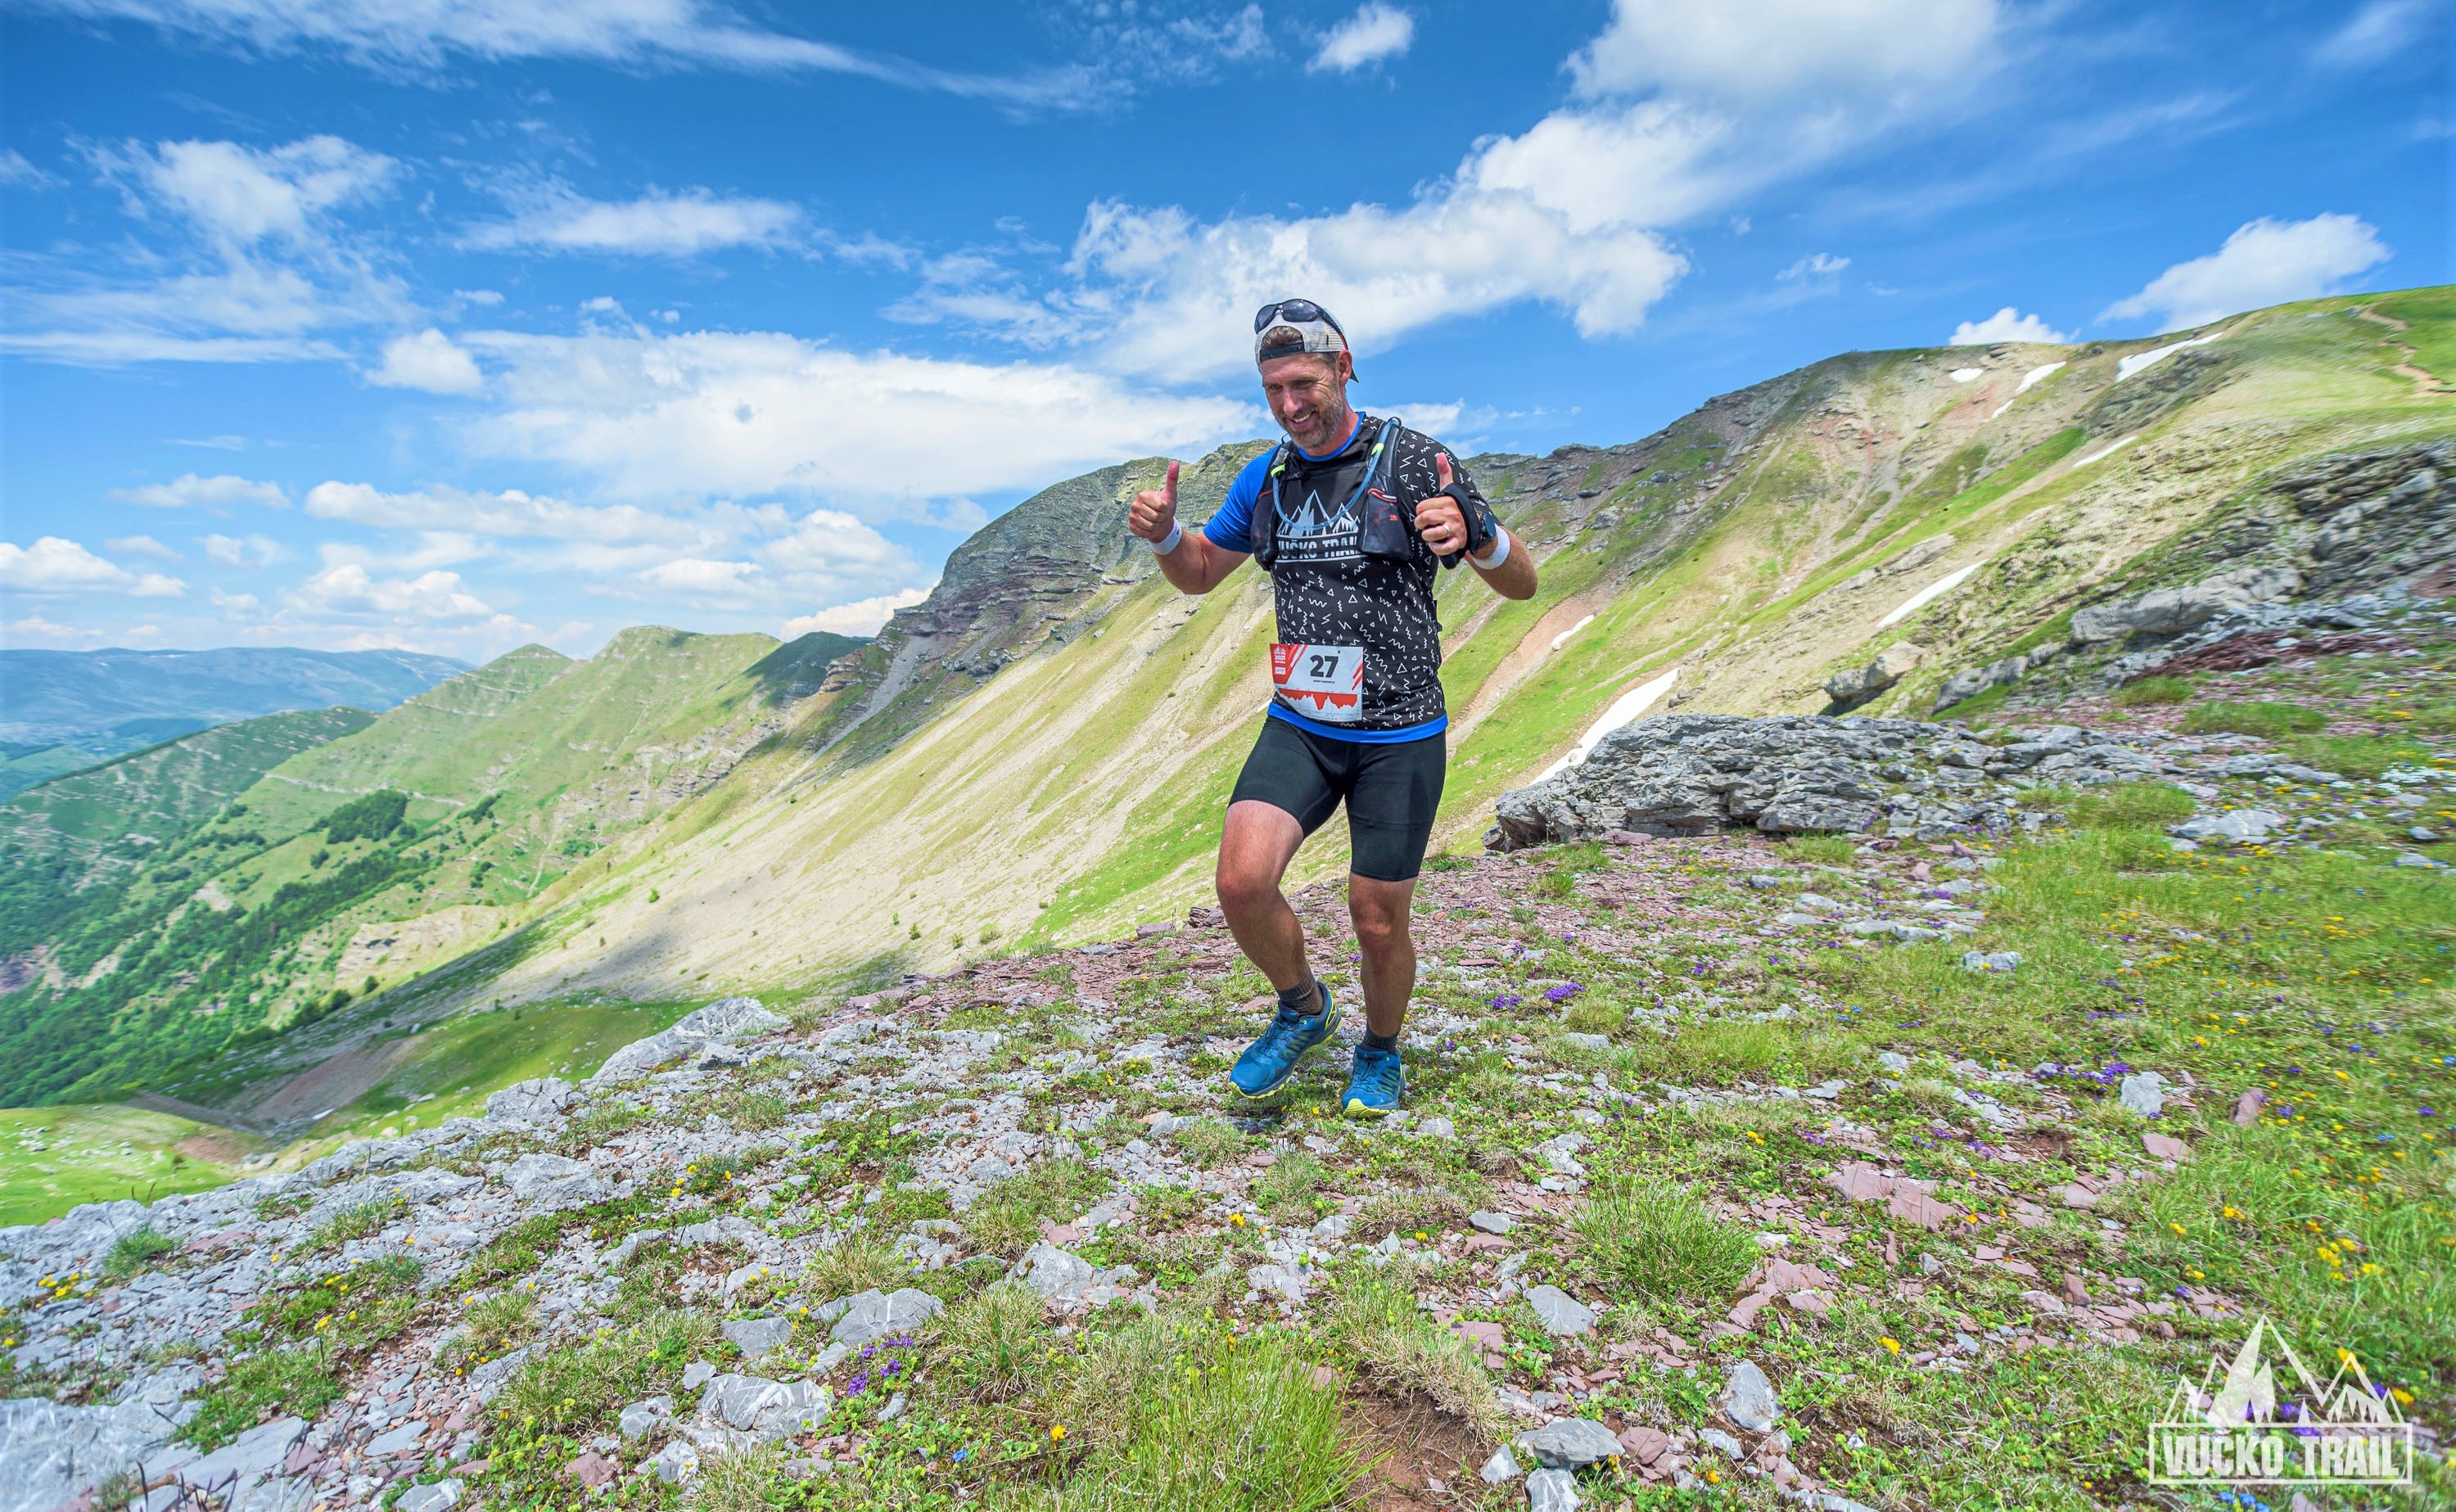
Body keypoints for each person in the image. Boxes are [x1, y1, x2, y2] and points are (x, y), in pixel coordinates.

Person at [1126, 298, 1537, 1117]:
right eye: (1273, 389)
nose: (1290, 405)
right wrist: (1169, 536)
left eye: (1304, 383)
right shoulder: (1269, 477)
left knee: (1376, 920)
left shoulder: (1414, 461)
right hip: (1303, 722)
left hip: (1401, 731)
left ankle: (1379, 1050)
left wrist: (1479, 533)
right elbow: (1201, 571)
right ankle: (1303, 1008)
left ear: (1343, 367)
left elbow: (1523, 583)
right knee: (1241, 882)